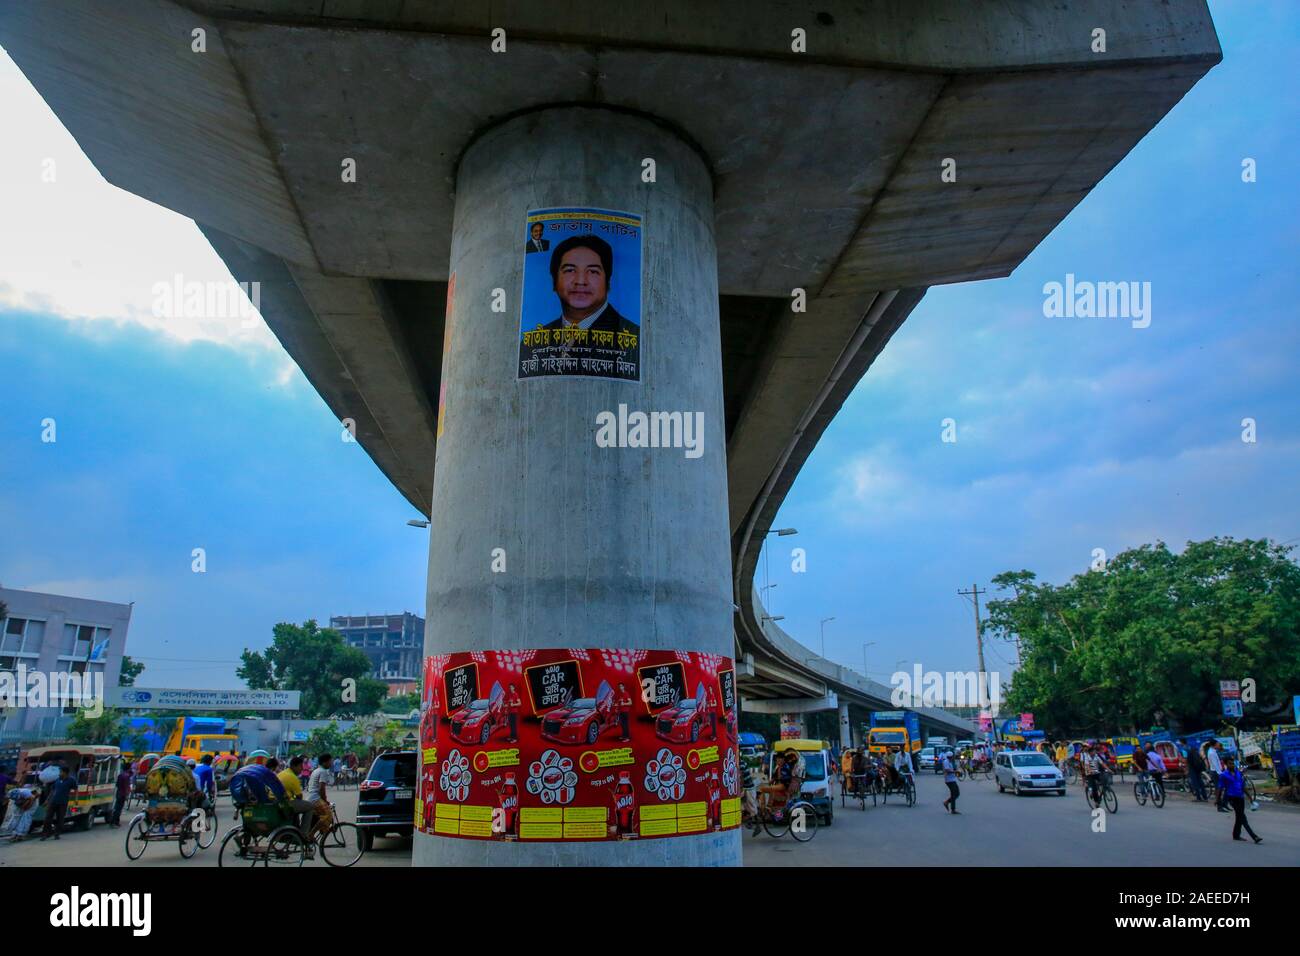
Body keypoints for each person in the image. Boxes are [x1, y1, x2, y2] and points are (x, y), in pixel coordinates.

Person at [541, 235, 638, 335]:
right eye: (570, 270)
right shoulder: (534, 341)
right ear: (554, 280)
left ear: (608, 281)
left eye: (592, 271)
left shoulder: (632, 337)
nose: (581, 281)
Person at [1218, 757, 1261, 844]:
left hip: (1240, 797)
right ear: (1226, 764)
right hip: (1231, 798)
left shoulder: (1238, 773)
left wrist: (1250, 798)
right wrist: (1217, 799)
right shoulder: (1224, 775)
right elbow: (1220, 788)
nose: (1232, 765)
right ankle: (1254, 836)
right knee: (1242, 817)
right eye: (1230, 763)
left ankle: (1236, 835)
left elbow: (1243, 787)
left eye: (1233, 763)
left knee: (1239, 817)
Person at [278, 756, 315, 836]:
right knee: (310, 806)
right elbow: (299, 796)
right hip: (285, 803)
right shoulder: (293, 777)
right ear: (294, 766)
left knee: (299, 805)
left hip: (278, 801)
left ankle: (296, 827)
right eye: (300, 766)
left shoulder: (282, 773)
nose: (302, 769)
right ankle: (304, 834)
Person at [39, 765, 77, 840]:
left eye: (61, 772)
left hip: (63, 803)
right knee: (47, 818)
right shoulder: (57, 780)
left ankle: (57, 833)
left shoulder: (71, 780)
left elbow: (75, 789)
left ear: (65, 773)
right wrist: (47, 801)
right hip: (53, 802)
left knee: (60, 819)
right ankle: (46, 834)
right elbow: (52, 791)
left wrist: (74, 800)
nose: (59, 773)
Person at [305, 752, 336, 838]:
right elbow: (321, 788)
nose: (331, 763)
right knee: (327, 815)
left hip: (310, 798)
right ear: (324, 762)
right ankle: (311, 834)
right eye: (330, 761)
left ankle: (321, 830)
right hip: (315, 798)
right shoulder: (323, 772)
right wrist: (325, 800)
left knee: (319, 816)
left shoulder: (316, 771)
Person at [192, 754, 217, 822]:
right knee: (207, 806)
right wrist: (210, 793)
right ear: (210, 761)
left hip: (193, 790)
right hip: (200, 790)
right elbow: (209, 783)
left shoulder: (196, 768)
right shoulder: (209, 769)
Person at [1205, 741, 1227, 811]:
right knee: (1218, 789)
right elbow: (1215, 765)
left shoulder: (1213, 751)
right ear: (1214, 745)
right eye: (1217, 744)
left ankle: (1223, 804)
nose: (1218, 745)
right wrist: (1220, 774)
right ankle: (1219, 805)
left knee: (1220, 788)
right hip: (1215, 772)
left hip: (1216, 771)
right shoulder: (1211, 753)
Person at [109, 762, 132, 827]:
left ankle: (114, 821)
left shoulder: (120, 775)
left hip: (118, 793)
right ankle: (115, 822)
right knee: (119, 809)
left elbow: (117, 785)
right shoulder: (126, 776)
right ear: (129, 768)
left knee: (117, 808)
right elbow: (126, 787)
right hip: (122, 794)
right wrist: (127, 794)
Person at [940, 749, 960, 813]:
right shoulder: (946, 762)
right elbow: (947, 770)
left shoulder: (950, 762)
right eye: (953, 756)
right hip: (949, 780)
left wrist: (956, 773)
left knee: (956, 793)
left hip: (952, 779)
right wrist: (955, 771)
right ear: (951, 757)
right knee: (954, 794)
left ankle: (947, 803)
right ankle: (952, 809)